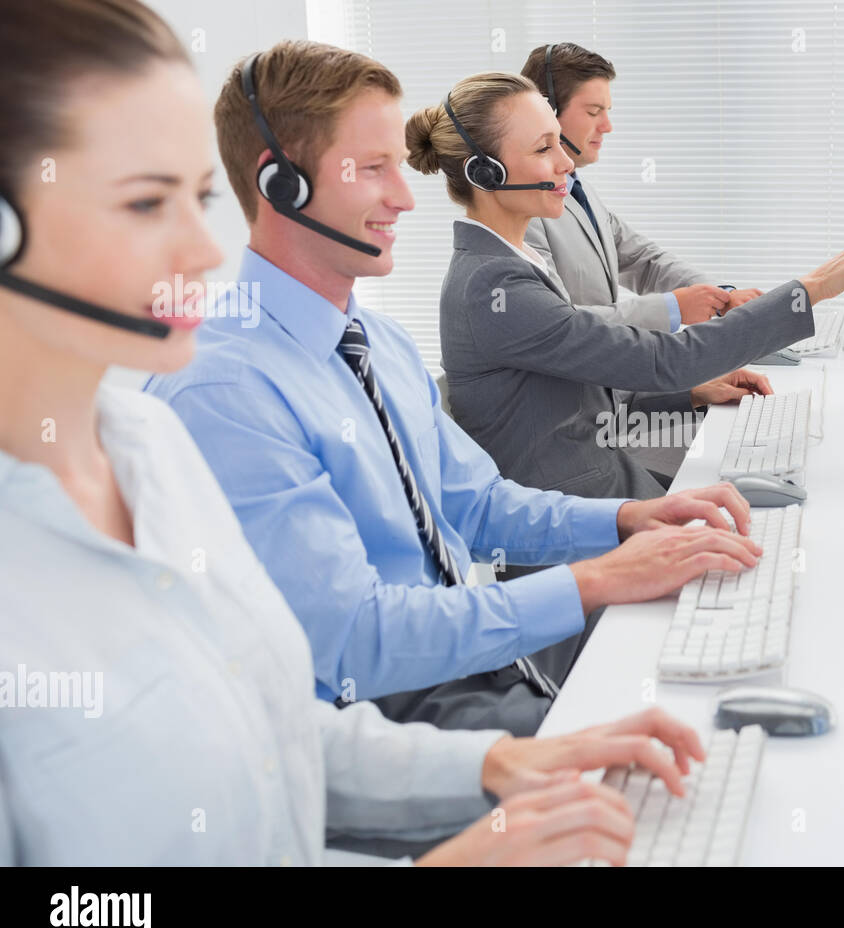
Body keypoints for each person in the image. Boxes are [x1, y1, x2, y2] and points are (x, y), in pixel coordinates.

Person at [0, 0, 707, 867]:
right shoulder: (213, 396)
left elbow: (276, 729)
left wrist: (506, 758)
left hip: (436, 723)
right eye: (147, 201)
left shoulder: (146, 446)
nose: (200, 249)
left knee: (687, 788)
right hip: (413, 701)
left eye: (194, 196)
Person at [144, 40, 763, 738]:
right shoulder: (223, 389)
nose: (406, 197)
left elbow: (478, 505)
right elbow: (355, 640)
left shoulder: (380, 345)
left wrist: (626, 522)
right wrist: (598, 579)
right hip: (379, 721)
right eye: (373, 169)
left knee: (707, 704)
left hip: (463, 670)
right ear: (280, 183)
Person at [407, 72, 844, 500]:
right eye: (543, 148)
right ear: (485, 172)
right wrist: (813, 288)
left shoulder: (513, 258)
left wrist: (691, 394)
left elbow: (571, 397)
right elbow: (662, 360)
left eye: (559, 140)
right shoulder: (492, 286)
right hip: (579, 520)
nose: (567, 162)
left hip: (602, 482)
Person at [519, 43, 761, 332]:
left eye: (607, 111)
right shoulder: (524, 209)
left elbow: (644, 261)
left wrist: (722, 296)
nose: (607, 126)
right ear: (548, 111)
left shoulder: (581, 193)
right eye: (594, 111)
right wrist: (673, 308)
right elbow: (555, 322)